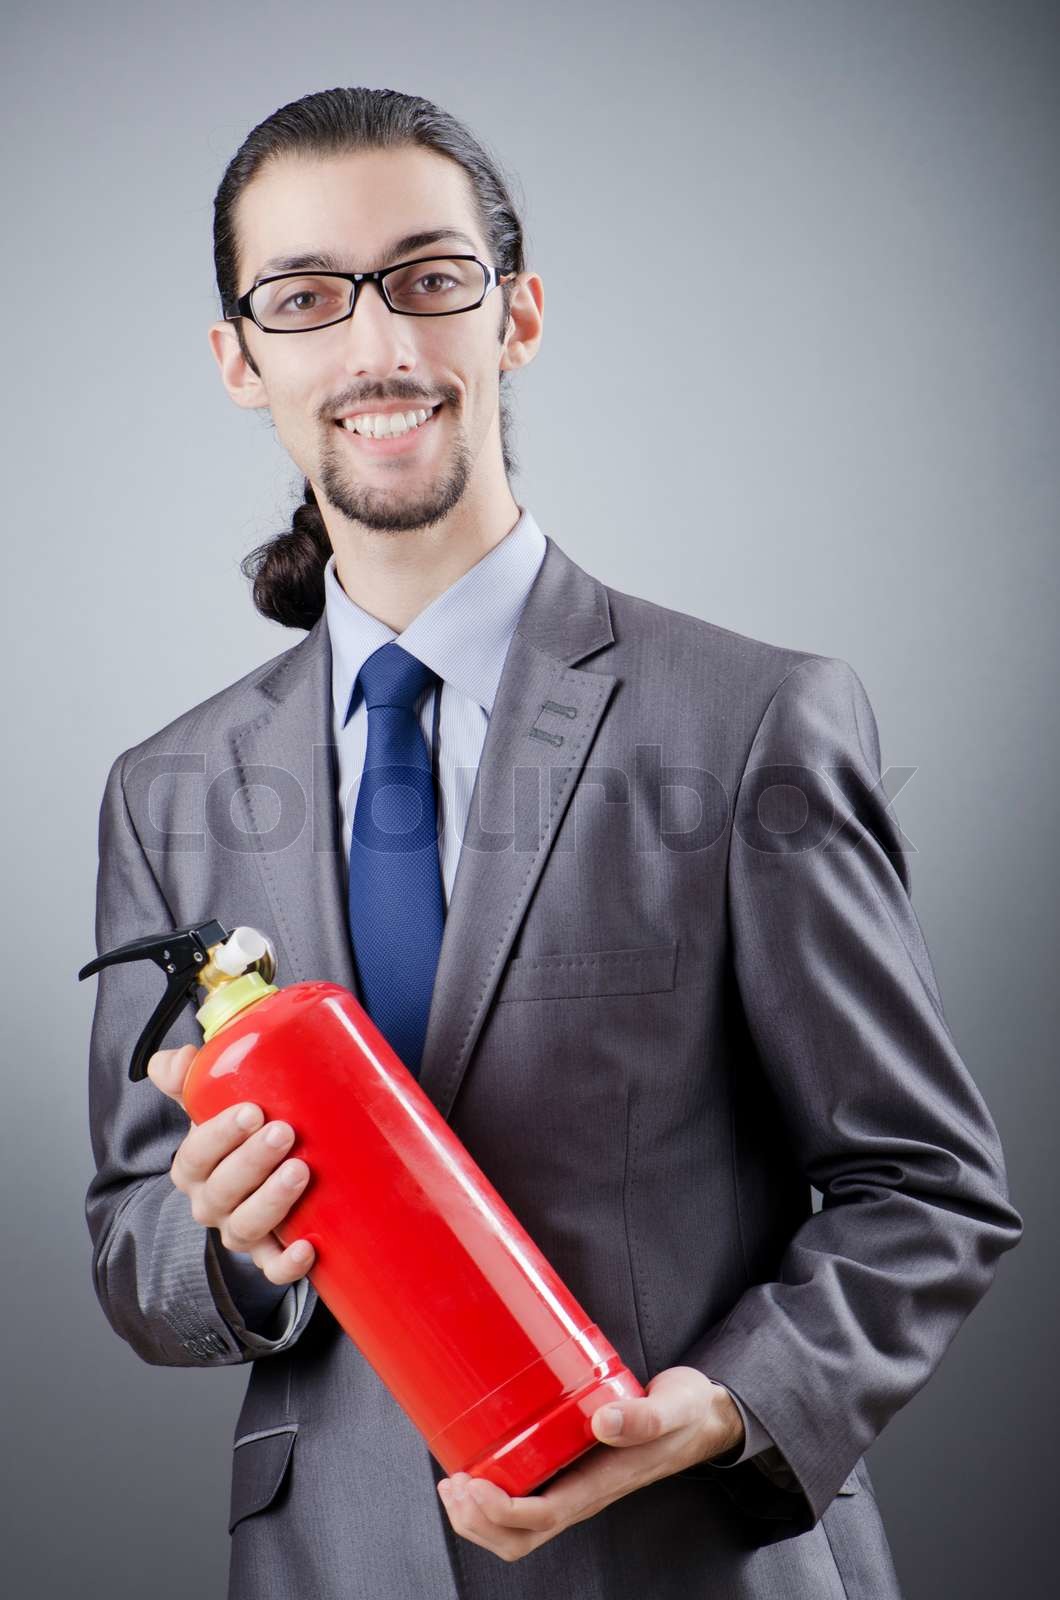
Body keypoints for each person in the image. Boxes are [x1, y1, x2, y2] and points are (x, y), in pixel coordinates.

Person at [84, 86, 1022, 1600]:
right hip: (331, 1566)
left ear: (515, 315)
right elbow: (135, 1234)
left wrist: (720, 1410)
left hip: (684, 1553)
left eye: (429, 278)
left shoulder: (752, 720)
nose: (378, 345)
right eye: (306, 298)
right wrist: (237, 1251)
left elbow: (925, 1186)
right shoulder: (167, 791)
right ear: (240, 359)